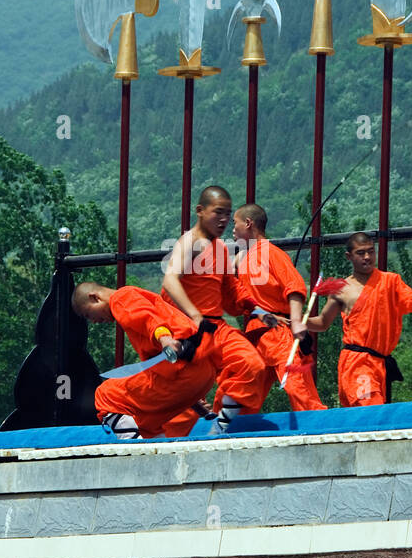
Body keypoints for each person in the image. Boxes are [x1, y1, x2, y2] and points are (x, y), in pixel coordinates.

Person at [160, 186, 268, 433]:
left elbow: (233, 292)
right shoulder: (189, 241)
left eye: (228, 214)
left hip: (216, 327)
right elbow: (169, 280)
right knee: (180, 400)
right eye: (218, 212)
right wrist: (195, 315)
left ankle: (220, 426)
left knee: (252, 364)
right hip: (188, 328)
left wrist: (259, 310)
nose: (224, 219)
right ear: (200, 211)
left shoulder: (221, 248)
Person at [308, 232, 412, 407]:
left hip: (380, 363)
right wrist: (300, 321)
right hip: (357, 364)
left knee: (376, 414)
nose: (367, 257)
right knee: (369, 409)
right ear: (348, 256)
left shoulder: (390, 281)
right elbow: (322, 322)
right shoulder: (341, 289)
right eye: (360, 253)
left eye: (371, 251)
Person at [73, 282, 217, 439]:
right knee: (142, 421)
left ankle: (133, 449)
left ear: (95, 298)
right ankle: (154, 456)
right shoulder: (134, 299)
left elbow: (147, 317)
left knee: (106, 394)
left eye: (88, 315)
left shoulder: (120, 298)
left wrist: (164, 338)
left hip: (184, 369)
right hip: (202, 371)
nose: (93, 321)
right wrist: (194, 400)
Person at [231, 203, 326, 412]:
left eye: (235, 223)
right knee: (244, 394)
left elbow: (293, 286)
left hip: (277, 331)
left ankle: (319, 429)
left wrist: (296, 321)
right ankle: (234, 436)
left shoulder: (271, 253)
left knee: (298, 388)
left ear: (248, 223)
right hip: (255, 335)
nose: (232, 230)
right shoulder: (244, 258)